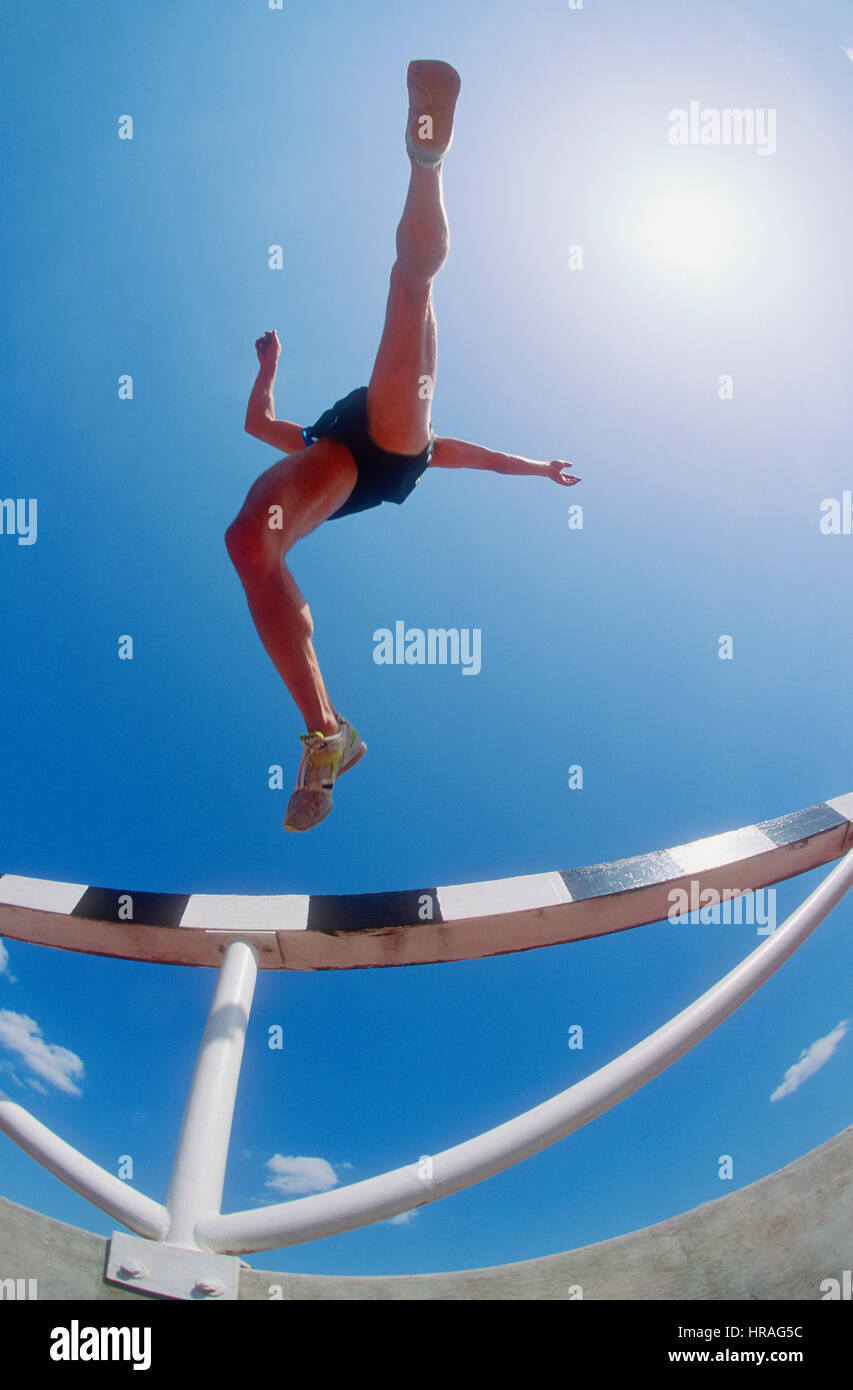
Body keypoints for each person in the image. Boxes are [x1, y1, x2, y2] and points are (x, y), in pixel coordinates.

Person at [226, 61, 580, 833]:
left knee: (411, 290)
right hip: (339, 457)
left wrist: (537, 467)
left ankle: (427, 151)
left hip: (389, 442)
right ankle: (328, 734)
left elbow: (480, 458)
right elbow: (258, 425)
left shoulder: (421, 442)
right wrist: (268, 368)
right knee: (249, 541)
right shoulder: (316, 437)